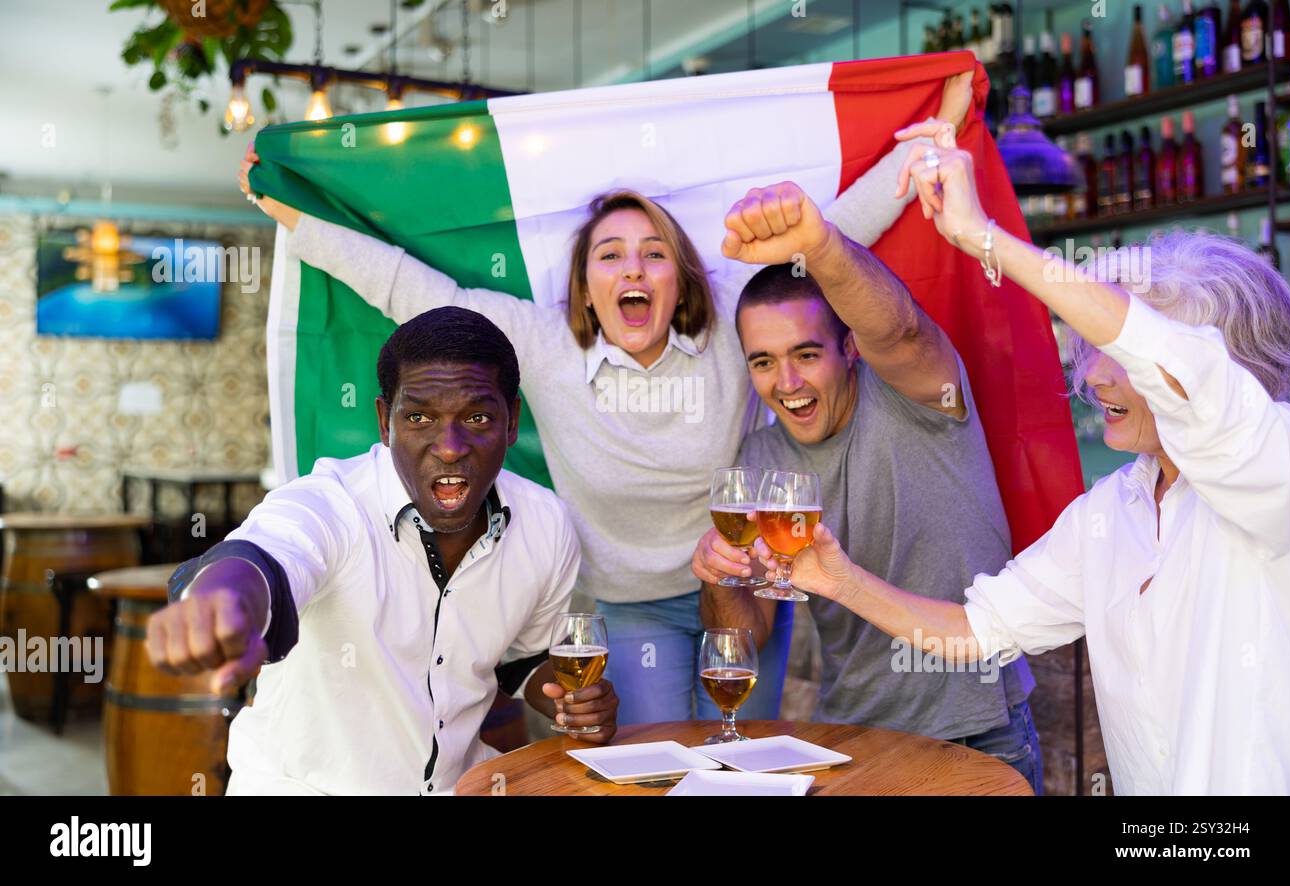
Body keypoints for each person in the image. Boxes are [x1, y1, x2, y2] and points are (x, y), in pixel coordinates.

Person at [234, 73, 977, 725]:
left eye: (655, 253)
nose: (634, 268)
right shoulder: (543, 341)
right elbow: (412, 291)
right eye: (610, 255)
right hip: (627, 605)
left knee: (743, 763)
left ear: (682, 277)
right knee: (657, 766)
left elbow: (831, 241)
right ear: (584, 283)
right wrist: (292, 212)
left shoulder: (729, 325)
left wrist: (926, 146)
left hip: (741, 589)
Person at [749, 126, 1290, 794]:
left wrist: (983, 237)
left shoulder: (1275, 460)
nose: (1096, 378)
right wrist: (837, 579)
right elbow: (976, 631)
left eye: (1120, 361)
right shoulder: (1111, 512)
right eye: (1094, 355)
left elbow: (1175, 361)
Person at [146, 306, 618, 795]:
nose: (450, 446)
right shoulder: (334, 503)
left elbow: (521, 659)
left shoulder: (546, 524)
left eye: (477, 417)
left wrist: (572, 702)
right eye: (419, 417)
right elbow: (267, 554)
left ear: (512, 420)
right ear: (385, 423)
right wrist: (225, 596)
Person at [691, 173, 1042, 793]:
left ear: (849, 348)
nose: (787, 383)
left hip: (978, 730)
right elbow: (748, 635)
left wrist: (819, 244)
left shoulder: (918, 393)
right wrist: (720, 577)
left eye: (806, 354)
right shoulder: (759, 460)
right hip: (851, 739)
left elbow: (901, 331)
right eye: (764, 362)